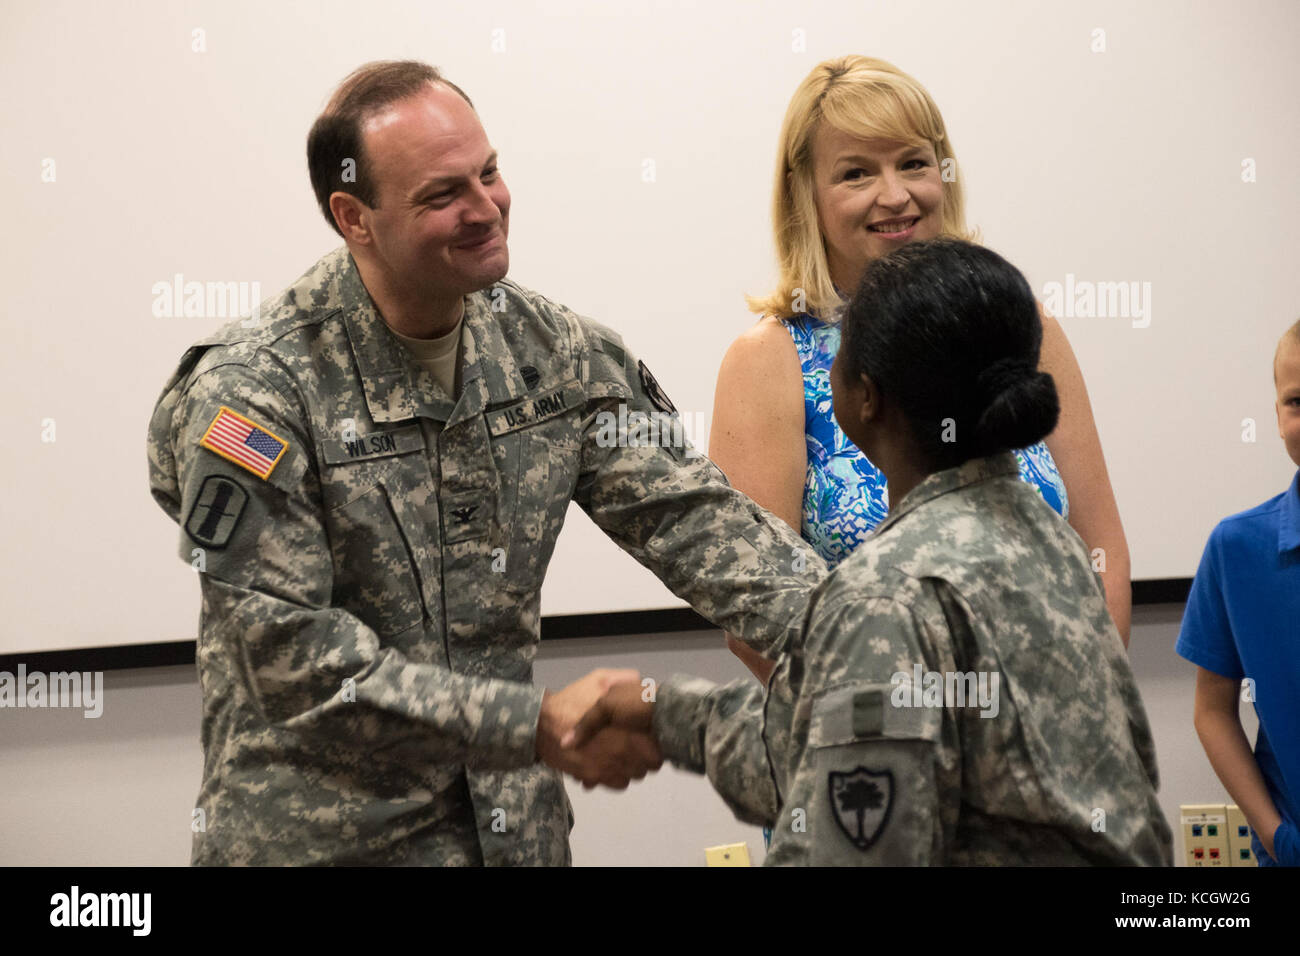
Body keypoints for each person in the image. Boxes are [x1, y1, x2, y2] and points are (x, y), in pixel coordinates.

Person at [146, 60, 826, 866]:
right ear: (353, 216)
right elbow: (288, 657)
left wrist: (884, 639)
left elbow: (710, 534)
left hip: (510, 838)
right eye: (443, 195)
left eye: (491, 173)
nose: (485, 209)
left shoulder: (556, 354)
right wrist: (532, 724)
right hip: (324, 845)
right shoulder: (256, 392)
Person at [567, 239, 1173, 865]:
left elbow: (852, 826)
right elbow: (852, 733)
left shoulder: (884, 593)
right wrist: (667, 715)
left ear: (864, 398)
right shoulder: (1053, 545)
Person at [712, 55, 1132, 689]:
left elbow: (1102, 554)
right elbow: (754, 613)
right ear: (806, 194)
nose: (895, 195)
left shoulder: (1023, 326)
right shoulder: (767, 361)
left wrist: (1083, 707)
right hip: (872, 757)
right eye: (856, 173)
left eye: (912, 162)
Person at [1176, 318, 1300, 867]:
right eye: (1297, 401)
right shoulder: (1237, 548)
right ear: (1275, 416)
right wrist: (1276, 835)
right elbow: (1213, 711)